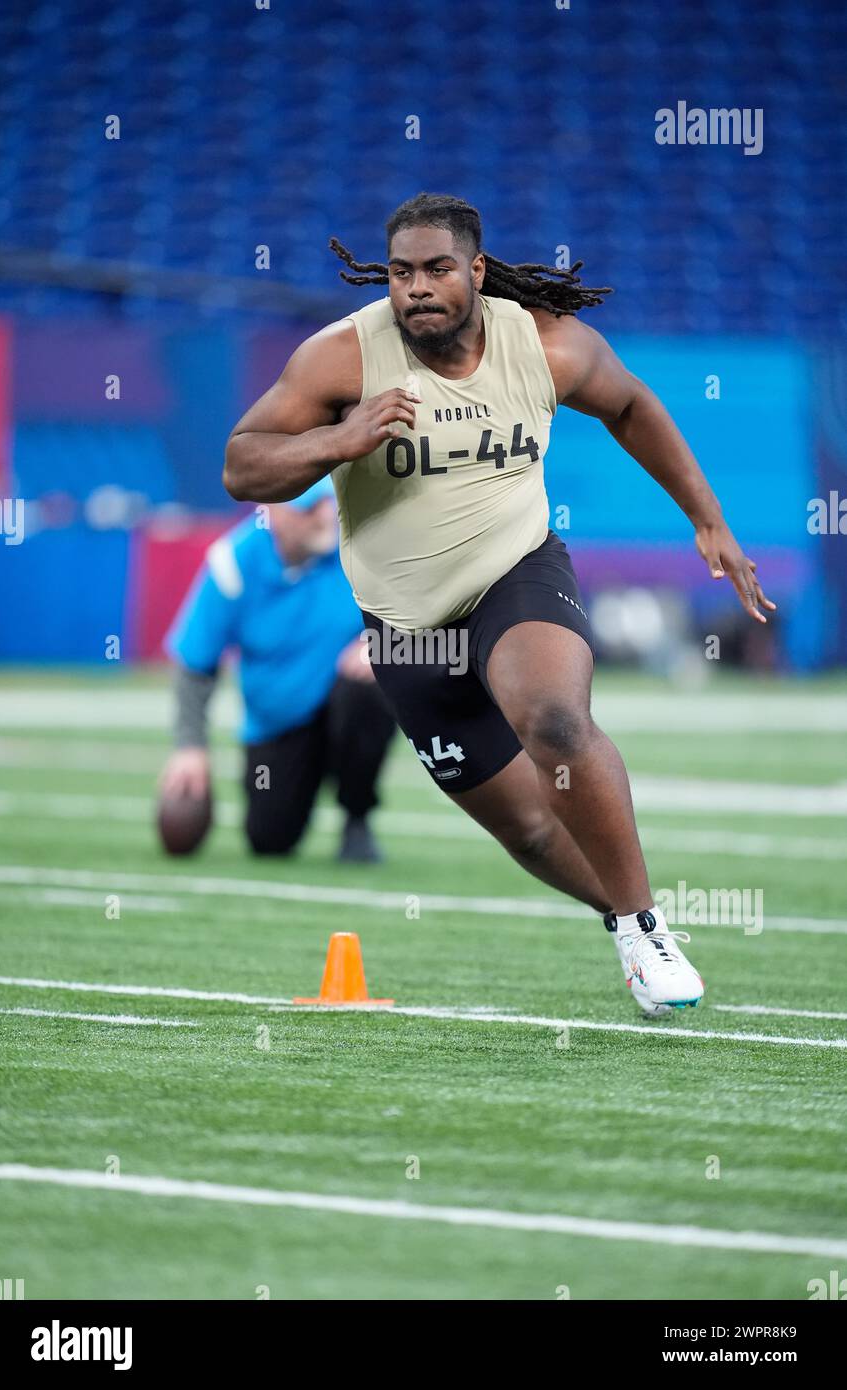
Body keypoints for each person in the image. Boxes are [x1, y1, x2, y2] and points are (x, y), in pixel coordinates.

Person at [222, 192, 776, 1016]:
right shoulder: (343, 358)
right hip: (407, 630)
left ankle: (645, 926)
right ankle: (624, 920)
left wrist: (708, 520)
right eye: (402, 271)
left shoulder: (546, 346)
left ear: (476, 272)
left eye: (438, 268)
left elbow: (632, 406)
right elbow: (242, 465)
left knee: (553, 718)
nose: (417, 287)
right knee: (530, 830)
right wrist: (339, 440)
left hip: (514, 572)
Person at [159, 478, 397, 863]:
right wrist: (190, 746)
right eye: (308, 509)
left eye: (326, 505)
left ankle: (357, 817)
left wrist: (383, 642)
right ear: (273, 513)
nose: (324, 517)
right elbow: (196, 663)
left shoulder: (360, 549)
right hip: (279, 723)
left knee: (371, 686)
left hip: (344, 705)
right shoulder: (233, 563)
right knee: (269, 840)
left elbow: (421, 620)